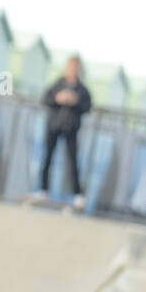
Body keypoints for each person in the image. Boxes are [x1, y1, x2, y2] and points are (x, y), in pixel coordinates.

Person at [32, 54, 92, 209]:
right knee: (48, 158)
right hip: (54, 126)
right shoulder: (57, 85)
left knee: (73, 162)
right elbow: (46, 99)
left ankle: (78, 195)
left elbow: (87, 106)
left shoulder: (82, 90)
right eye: (70, 67)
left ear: (79, 70)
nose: (72, 70)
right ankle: (43, 190)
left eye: (75, 67)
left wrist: (75, 101)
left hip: (71, 128)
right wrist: (58, 98)